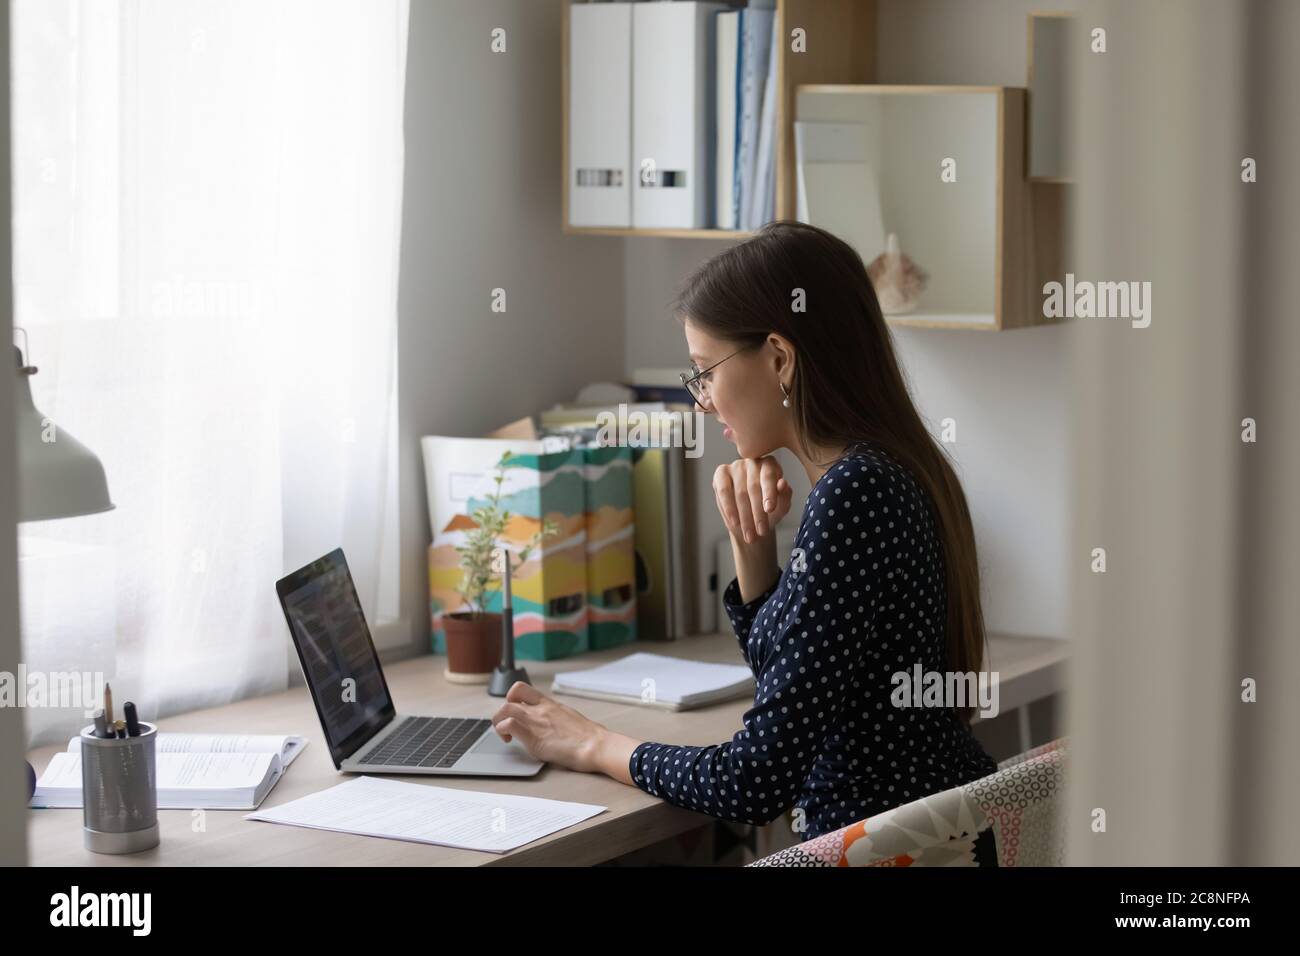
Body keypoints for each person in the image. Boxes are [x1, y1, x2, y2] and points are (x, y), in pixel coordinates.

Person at [491, 220, 998, 844]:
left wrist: (595, 743)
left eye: (705, 370)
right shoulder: (895, 467)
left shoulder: (856, 493)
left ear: (780, 359)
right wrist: (751, 545)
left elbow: (754, 781)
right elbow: (792, 685)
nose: (701, 401)